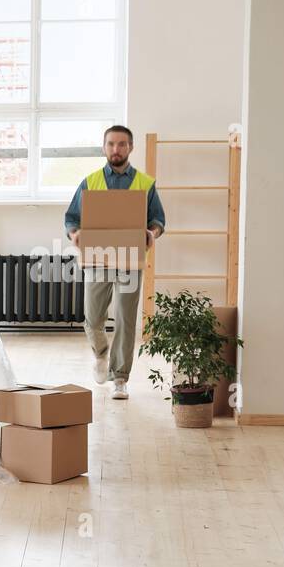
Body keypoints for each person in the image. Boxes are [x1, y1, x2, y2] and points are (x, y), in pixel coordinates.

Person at [64, 125, 166, 400]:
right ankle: (100, 353)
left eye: (121, 144)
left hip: (131, 261)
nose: (116, 149)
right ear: (104, 147)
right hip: (97, 259)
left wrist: (151, 232)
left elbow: (158, 220)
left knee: (124, 319)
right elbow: (72, 218)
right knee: (93, 318)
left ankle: (120, 377)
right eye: (111, 144)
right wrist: (75, 233)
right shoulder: (91, 181)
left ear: (131, 147)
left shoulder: (146, 184)